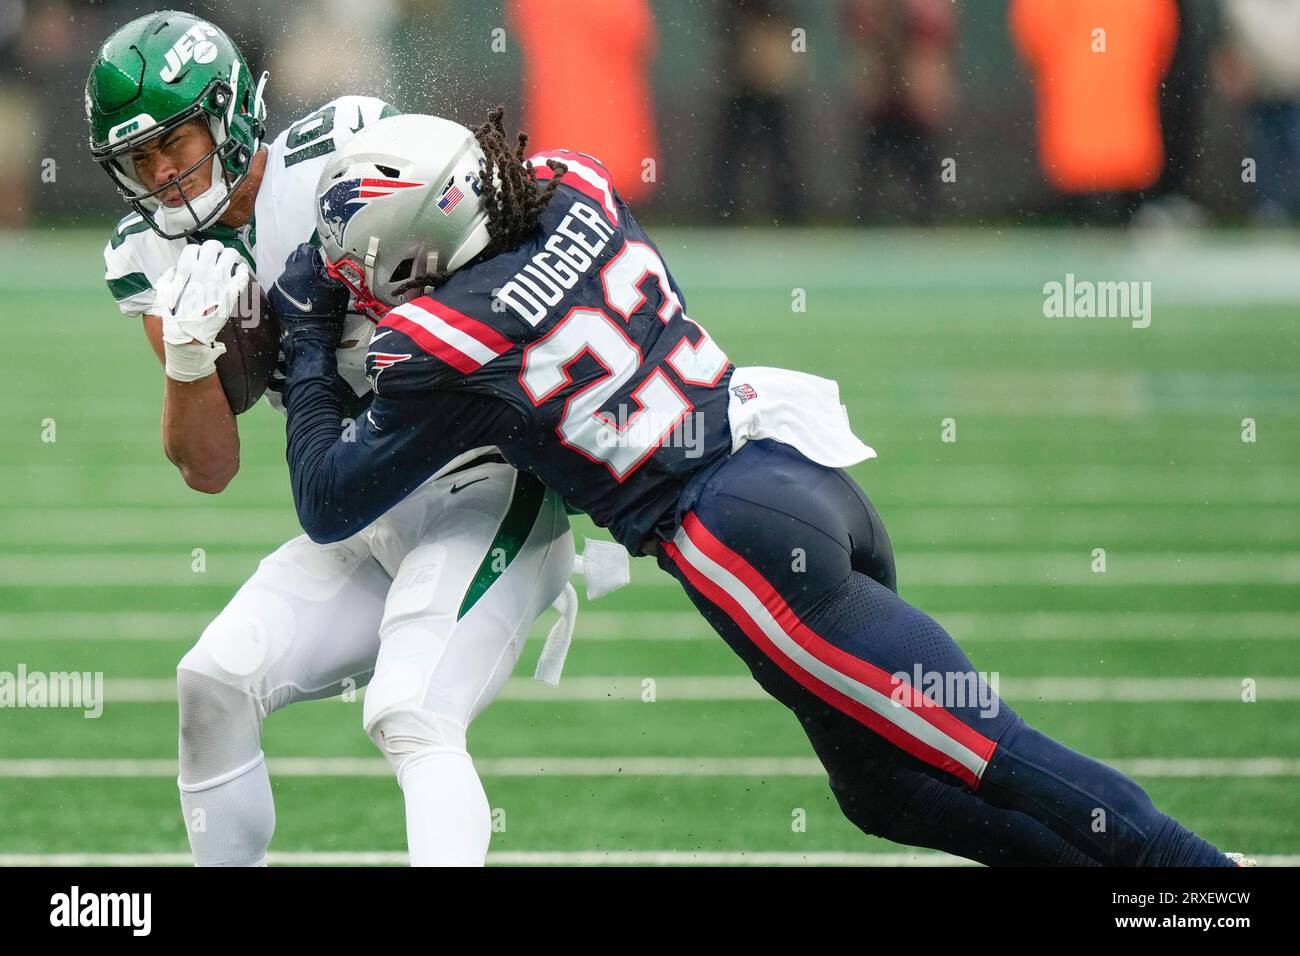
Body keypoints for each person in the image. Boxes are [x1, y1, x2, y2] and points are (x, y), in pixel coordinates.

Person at [268, 108, 1253, 866]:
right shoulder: (577, 188)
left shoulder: (442, 344)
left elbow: (326, 494)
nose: (350, 279)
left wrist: (310, 343)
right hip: (793, 468)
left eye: (362, 262)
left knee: (993, 750)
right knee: (880, 789)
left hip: (734, 538)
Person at [87, 12, 582, 866]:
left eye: (177, 141)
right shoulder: (152, 257)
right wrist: (187, 355)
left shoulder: (341, 152)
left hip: (486, 484)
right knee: (213, 682)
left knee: (411, 712)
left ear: (231, 113)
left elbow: (501, 244)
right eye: (140, 159)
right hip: (370, 507)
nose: (163, 173)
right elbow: (209, 469)